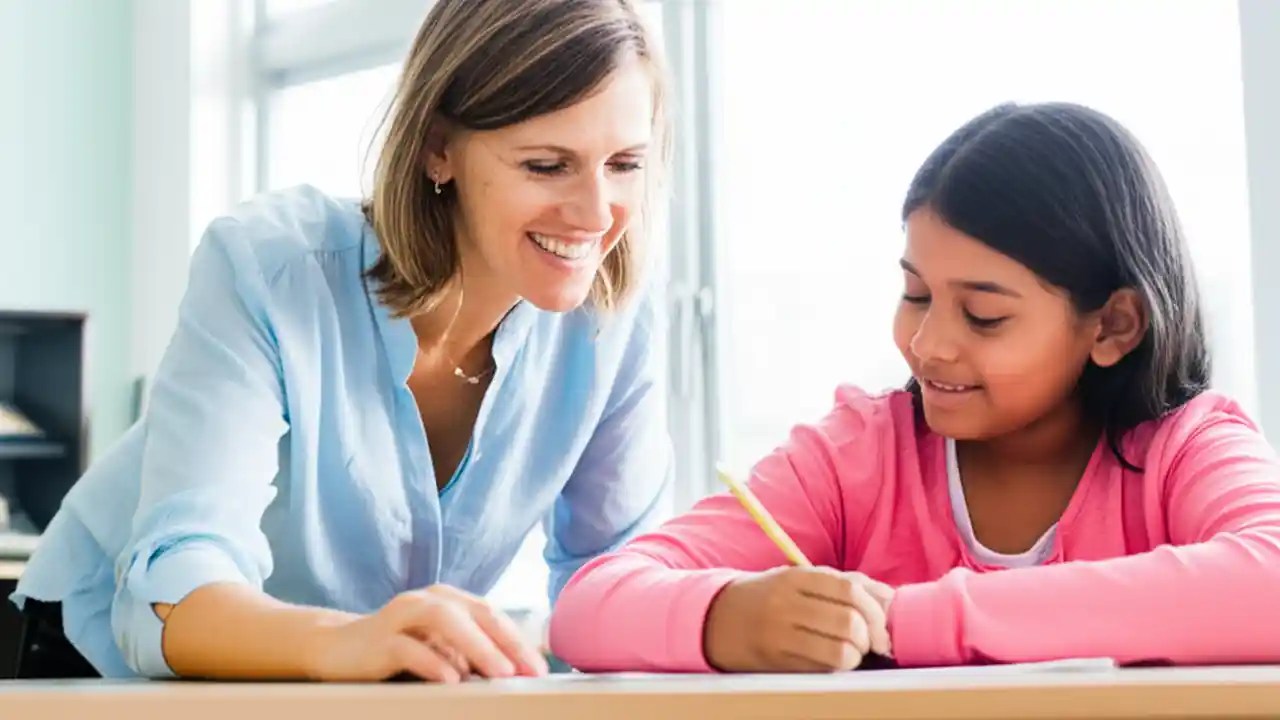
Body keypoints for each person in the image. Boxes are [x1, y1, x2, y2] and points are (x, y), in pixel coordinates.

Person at [12, 0, 673, 682]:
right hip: (99, 660)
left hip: (342, 680)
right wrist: (348, 640)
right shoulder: (272, 270)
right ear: (437, 147)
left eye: (625, 164)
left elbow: (617, 579)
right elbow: (174, 585)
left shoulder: (612, 323)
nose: (597, 213)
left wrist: (719, 610)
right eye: (546, 165)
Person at [548, 101, 1280, 673]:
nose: (928, 344)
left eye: (985, 315)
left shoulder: (1186, 449)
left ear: (1113, 325)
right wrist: (727, 618)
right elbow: (589, 607)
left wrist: (904, 620)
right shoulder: (857, 458)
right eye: (917, 294)